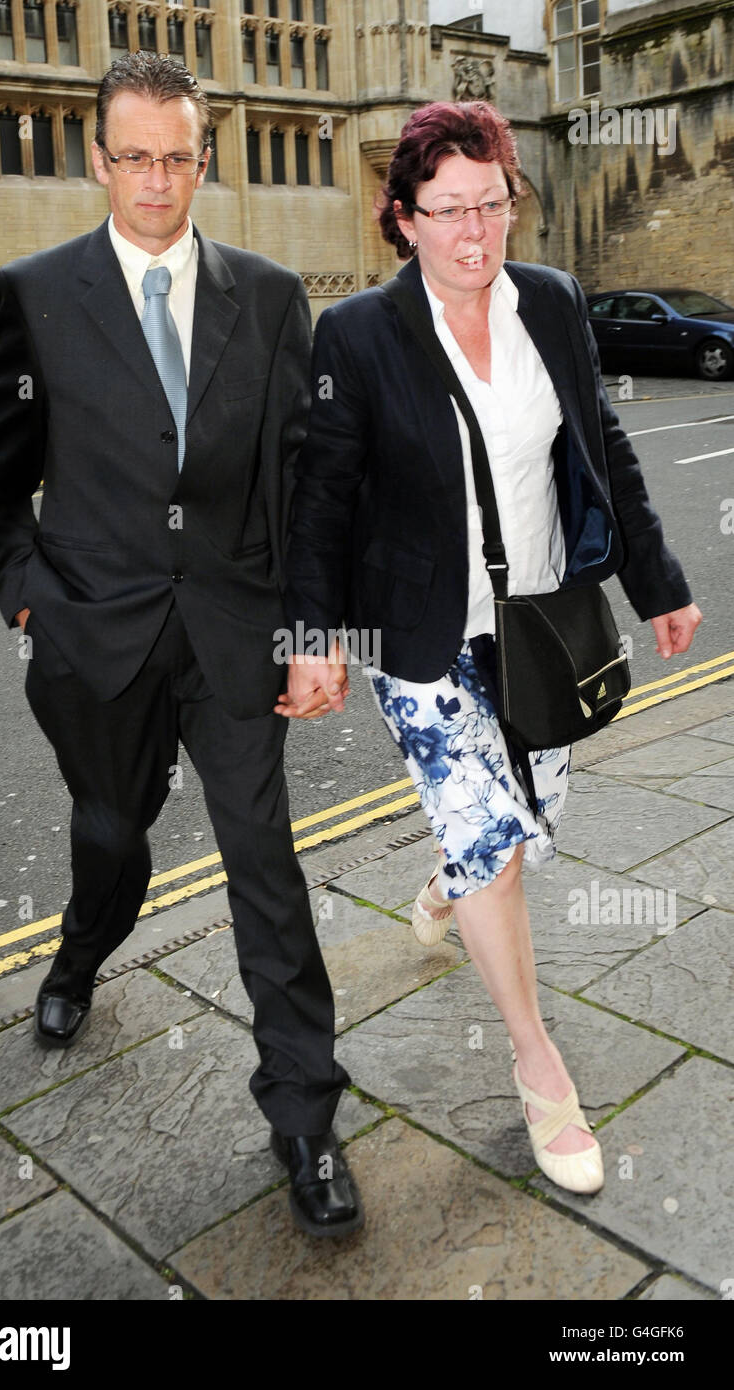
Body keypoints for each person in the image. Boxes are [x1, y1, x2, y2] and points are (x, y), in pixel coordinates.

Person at [0, 51, 362, 1239]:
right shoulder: (37, 292)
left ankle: (303, 1116)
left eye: (174, 156)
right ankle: (80, 960)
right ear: (98, 161)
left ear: (203, 159)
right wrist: (34, 601)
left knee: (266, 872)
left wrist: (316, 634)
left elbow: (307, 487)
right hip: (96, 639)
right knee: (111, 835)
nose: (153, 180)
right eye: (131, 156)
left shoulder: (271, 294)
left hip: (234, 635)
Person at [277, 100, 702, 1195]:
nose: (474, 233)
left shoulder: (552, 305)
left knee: (527, 816)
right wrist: (313, 638)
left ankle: (447, 880)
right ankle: (535, 1060)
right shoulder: (358, 337)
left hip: (537, 626)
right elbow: (320, 500)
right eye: (447, 211)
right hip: (417, 636)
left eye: (491, 204)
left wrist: (655, 582)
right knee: (495, 845)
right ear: (401, 218)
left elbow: (601, 444)